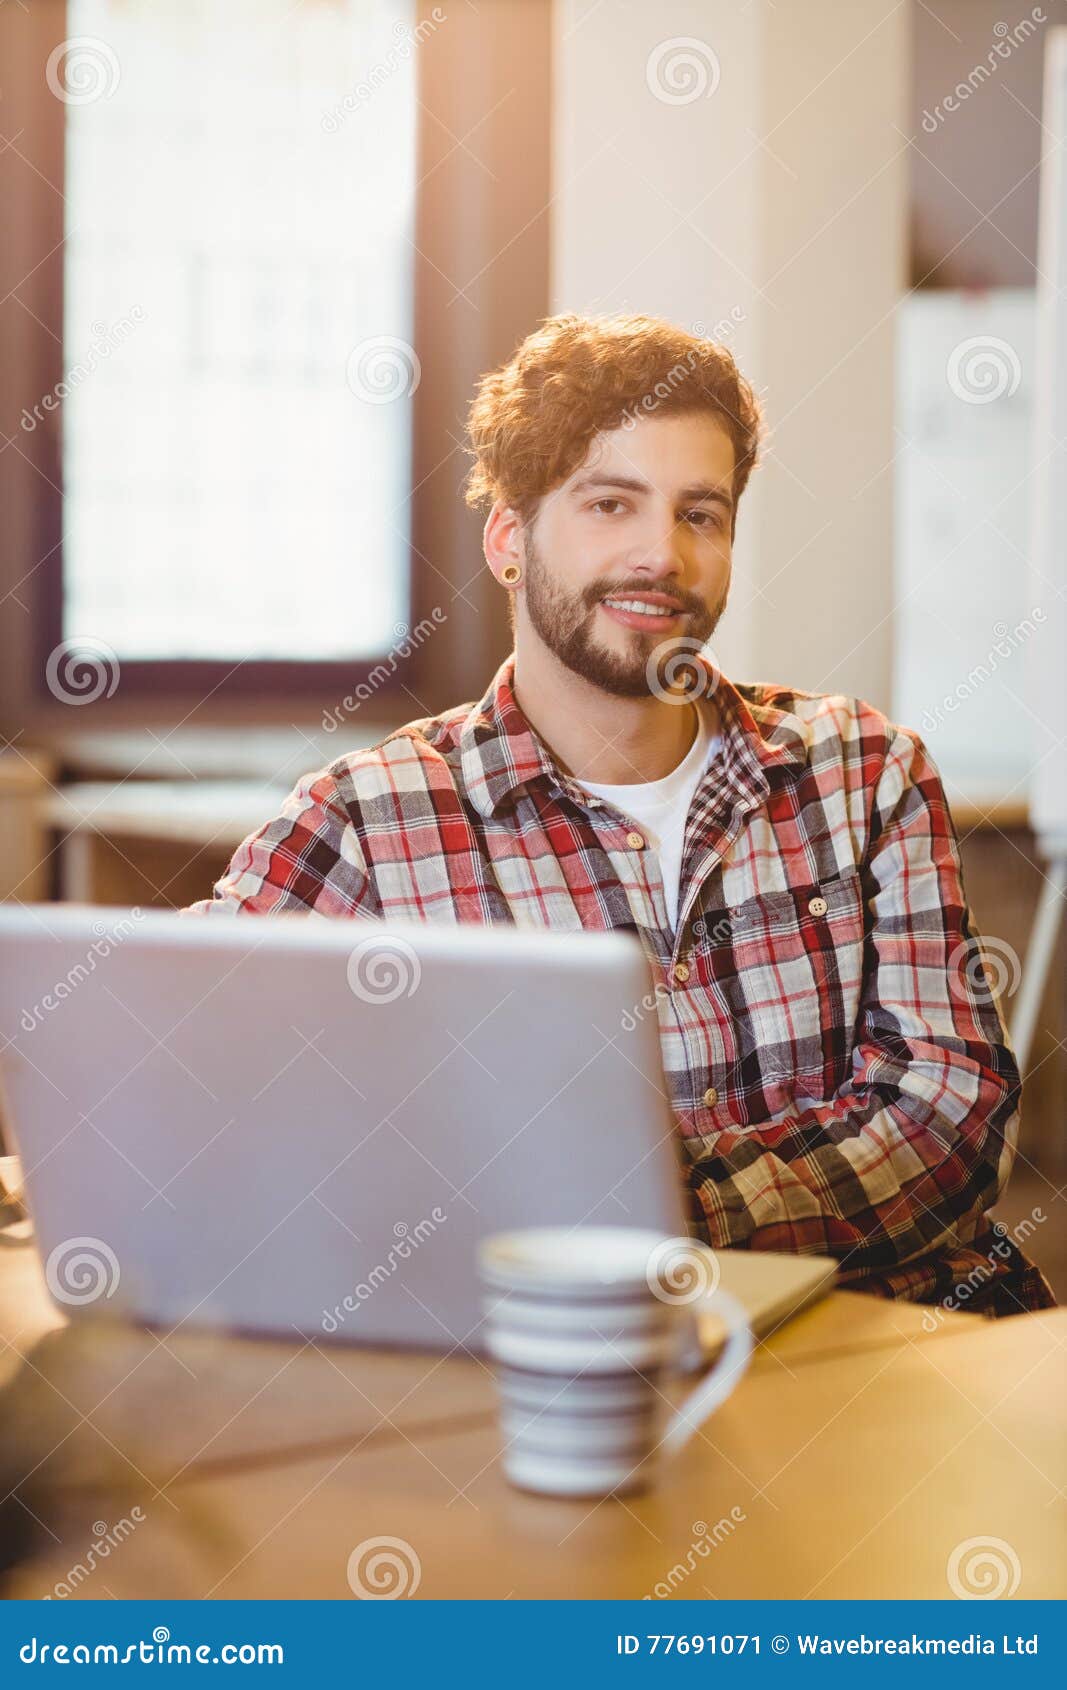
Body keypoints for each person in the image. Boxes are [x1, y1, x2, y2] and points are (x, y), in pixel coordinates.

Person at [185, 312, 1053, 1316]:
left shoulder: (861, 770)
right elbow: (159, 1069)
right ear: (508, 540)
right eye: (609, 504)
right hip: (572, 1356)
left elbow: (950, 1119)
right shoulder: (368, 822)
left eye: (700, 515)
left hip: (903, 1337)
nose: (661, 555)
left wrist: (644, 1217)